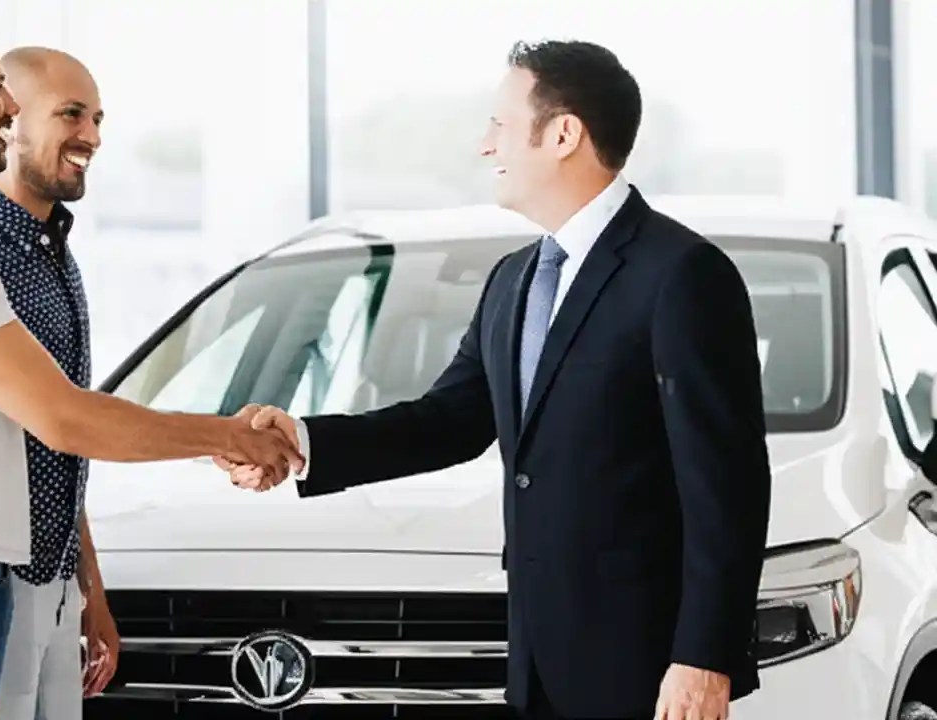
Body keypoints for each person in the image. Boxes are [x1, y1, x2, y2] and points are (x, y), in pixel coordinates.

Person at [222, 39, 771, 720]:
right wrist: (302, 441)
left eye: (500, 125)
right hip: (536, 657)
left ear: (564, 133)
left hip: (647, 666)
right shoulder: (513, 280)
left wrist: (704, 658)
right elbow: (449, 421)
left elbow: (728, 488)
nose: (486, 146)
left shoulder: (681, 274)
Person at [0, 22, 300, 720]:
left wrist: (86, 587)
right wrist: (228, 437)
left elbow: (47, 428)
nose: (9, 109)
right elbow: (63, 417)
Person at [0, 45, 113, 718]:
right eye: (72, 114)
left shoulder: (57, 254)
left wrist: (90, 593)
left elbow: (61, 442)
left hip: (53, 587)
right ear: (12, 119)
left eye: (99, 119)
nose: (92, 137)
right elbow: (62, 419)